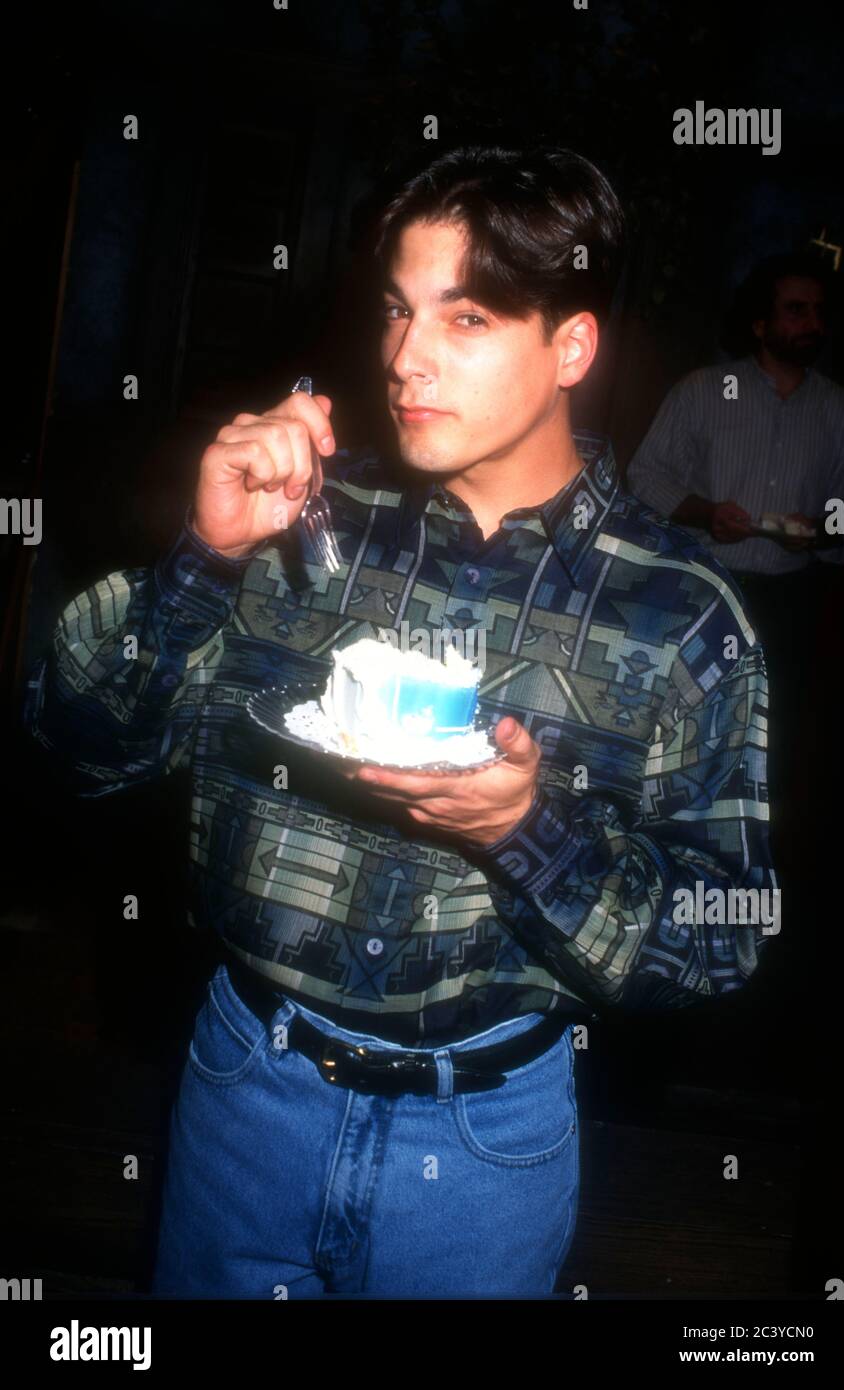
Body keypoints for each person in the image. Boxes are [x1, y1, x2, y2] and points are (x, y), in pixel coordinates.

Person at [22, 145, 776, 1300]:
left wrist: (532, 831)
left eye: (465, 317)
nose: (405, 358)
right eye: (396, 310)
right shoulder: (297, 524)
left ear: (570, 346)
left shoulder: (681, 618)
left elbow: (725, 938)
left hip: (481, 1141)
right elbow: (81, 752)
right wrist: (202, 558)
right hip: (243, 1089)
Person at [626, 253, 844, 846]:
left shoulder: (842, 410)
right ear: (760, 323)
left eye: (819, 312)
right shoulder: (707, 390)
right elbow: (645, 477)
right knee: (694, 729)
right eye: (795, 309)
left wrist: (821, 528)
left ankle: (766, 859)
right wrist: (707, 513)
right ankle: (674, 841)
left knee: (781, 739)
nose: (812, 322)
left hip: (793, 600)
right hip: (707, 591)